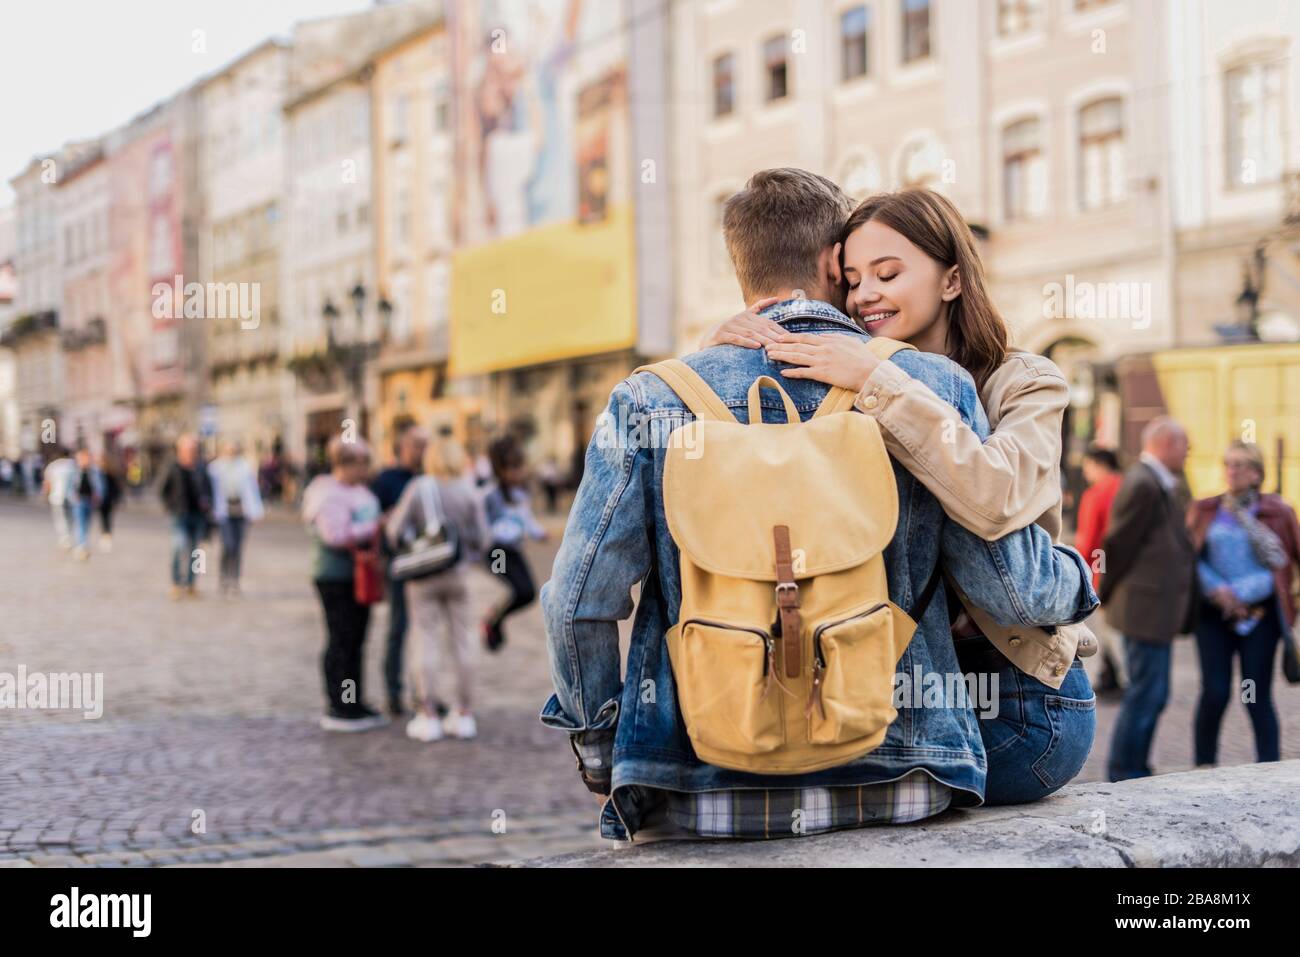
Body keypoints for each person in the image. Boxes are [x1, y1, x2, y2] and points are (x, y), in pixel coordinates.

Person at [541, 168, 1098, 841]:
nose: (868, 291)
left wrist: (602, 747)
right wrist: (1084, 579)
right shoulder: (938, 384)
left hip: (693, 782)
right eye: (862, 273)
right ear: (835, 261)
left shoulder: (651, 397)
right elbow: (1001, 584)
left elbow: (576, 598)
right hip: (904, 775)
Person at [702, 186, 1099, 806]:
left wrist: (880, 383)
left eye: (888, 274)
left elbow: (994, 496)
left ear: (951, 280)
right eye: (852, 279)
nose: (865, 295)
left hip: (1017, 707)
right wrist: (725, 356)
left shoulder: (1025, 383)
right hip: (882, 692)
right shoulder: (838, 374)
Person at [1187, 441, 1299, 766]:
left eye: (1241, 465)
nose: (1232, 471)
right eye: (1228, 463)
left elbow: (1284, 564)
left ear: (1256, 474)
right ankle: (1203, 767)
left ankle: (1268, 767)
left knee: (1255, 695)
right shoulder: (1206, 509)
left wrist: (1241, 594)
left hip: (1260, 618)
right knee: (1215, 692)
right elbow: (1190, 558)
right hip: (1213, 614)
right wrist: (1219, 590)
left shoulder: (1277, 512)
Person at [1101, 417, 1197, 782]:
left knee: (1152, 695)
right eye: (1185, 444)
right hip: (1143, 611)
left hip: (1154, 611)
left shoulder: (1156, 480)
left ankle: (1133, 766)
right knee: (1146, 695)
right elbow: (1118, 543)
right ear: (1166, 443)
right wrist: (1105, 593)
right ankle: (1126, 770)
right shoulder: (1142, 481)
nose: (1188, 452)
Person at [385, 436, 489, 742]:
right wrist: (464, 551)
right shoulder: (469, 491)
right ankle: (465, 714)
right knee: (463, 641)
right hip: (458, 575)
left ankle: (427, 715)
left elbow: (394, 532)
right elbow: (483, 539)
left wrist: (415, 540)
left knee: (425, 639)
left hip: (423, 577)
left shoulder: (419, 488)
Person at [303, 437, 387, 732]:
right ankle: (339, 704)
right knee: (341, 639)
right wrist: (375, 526)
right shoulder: (327, 494)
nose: (367, 469)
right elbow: (335, 536)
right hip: (335, 576)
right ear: (346, 464)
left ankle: (354, 701)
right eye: (363, 463)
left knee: (356, 640)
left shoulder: (359, 490)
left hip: (359, 576)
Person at [370, 425, 429, 717]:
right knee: (398, 628)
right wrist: (386, 520)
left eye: (425, 445)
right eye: (417, 444)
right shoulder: (385, 479)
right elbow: (372, 519)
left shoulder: (429, 478)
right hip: (398, 563)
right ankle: (393, 692)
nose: (422, 451)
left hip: (429, 564)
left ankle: (426, 693)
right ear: (401, 447)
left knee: (427, 633)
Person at [483, 435, 547, 652]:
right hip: (498, 550)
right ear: (499, 470)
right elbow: (481, 523)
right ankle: (492, 624)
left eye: (520, 467)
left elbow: (526, 518)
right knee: (510, 586)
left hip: (514, 549)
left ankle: (494, 618)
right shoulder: (490, 495)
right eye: (512, 468)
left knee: (528, 593)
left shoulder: (520, 493)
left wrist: (538, 533)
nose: (518, 473)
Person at [1074, 445, 1127, 695]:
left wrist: (1084, 572)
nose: (1086, 473)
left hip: (1102, 570)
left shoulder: (1096, 494)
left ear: (1098, 465)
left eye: (1087, 467)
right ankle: (1112, 675)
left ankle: (1114, 676)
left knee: (1105, 629)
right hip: (1131, 573)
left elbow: (1089, 539)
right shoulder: (1129, 487)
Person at [159, 434, 214, 600]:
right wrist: (169, 507)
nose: (191, 453)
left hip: (199, 514)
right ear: (180, 450)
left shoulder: (202, 467)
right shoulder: (172, 466)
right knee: (179, 547)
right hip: (179, 514)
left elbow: (209, 488)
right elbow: (162, 489)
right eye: (188, 449)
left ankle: (192, 584)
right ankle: (176, 583)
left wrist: (208, 502)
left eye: (194, 449)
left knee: (197, 552)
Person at [208, 440, 265, 595]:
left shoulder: (245, 467)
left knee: (238, 547)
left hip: (241, 511)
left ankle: (235, 579)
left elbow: (252, 491)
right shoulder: (215, 468)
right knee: (228, 545)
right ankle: (224, 577)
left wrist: (257, 511)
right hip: (224, 511)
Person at [63, 447, 104, 561]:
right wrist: (72, 497)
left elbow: (100, 486)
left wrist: (98, 496)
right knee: (80, 523)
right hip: (78, 500)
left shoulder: (94, 471)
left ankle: (82, 544)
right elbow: (68, 487)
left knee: (86, 524)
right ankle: (81, 547)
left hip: (89, 500)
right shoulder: (74, 470)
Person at [42, 446, 74, 550]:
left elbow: (47, 483)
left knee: (60, 518)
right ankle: (69, 536)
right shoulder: (73, 465)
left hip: (56, 496)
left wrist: (45, 495)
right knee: (71, 518)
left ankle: (65, 538)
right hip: (72, 497)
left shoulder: (53, 466)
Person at [95, 452, 122, 552]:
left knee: (108, 518)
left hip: (109, 500)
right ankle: (104, 535)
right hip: (100, 501)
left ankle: (107, 535)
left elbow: (116, 488)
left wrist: (116, 499)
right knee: (102, 518)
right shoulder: (96, 474)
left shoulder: (110, 473)